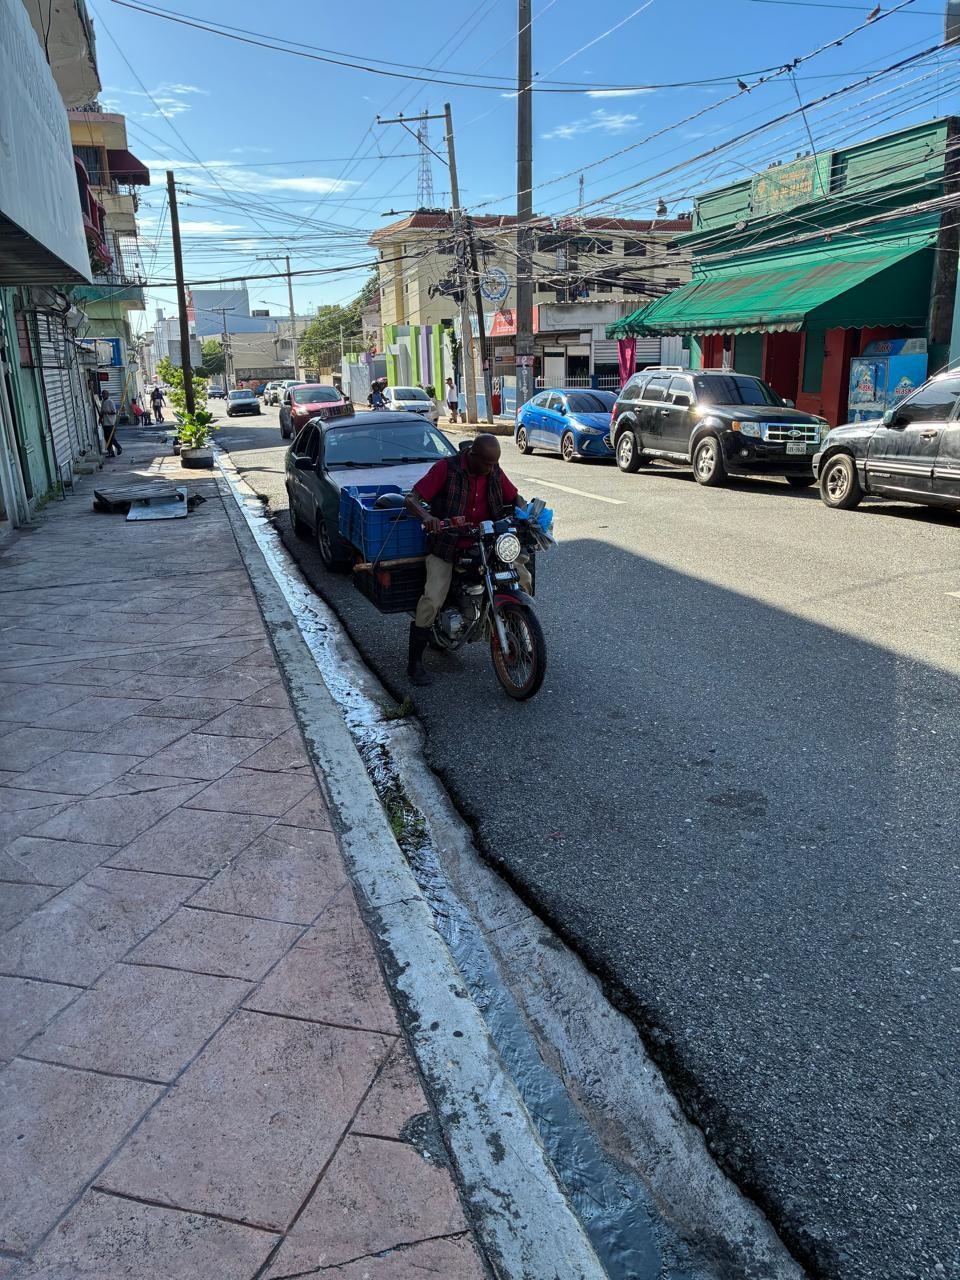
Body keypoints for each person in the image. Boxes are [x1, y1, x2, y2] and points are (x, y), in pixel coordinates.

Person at [403, 434, 531, 687]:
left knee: (522, 576)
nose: (490, 469)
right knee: (433, 597)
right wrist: (427, 517)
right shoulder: (446, 468)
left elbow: (514, 496)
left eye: (493, 464)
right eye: (486, 464)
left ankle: (523, 634)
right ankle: (414, 662)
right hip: (448, 544)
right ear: (473, 455)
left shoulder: (494, 470)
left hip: (487, 542)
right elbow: (411, 499)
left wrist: (523, 513)